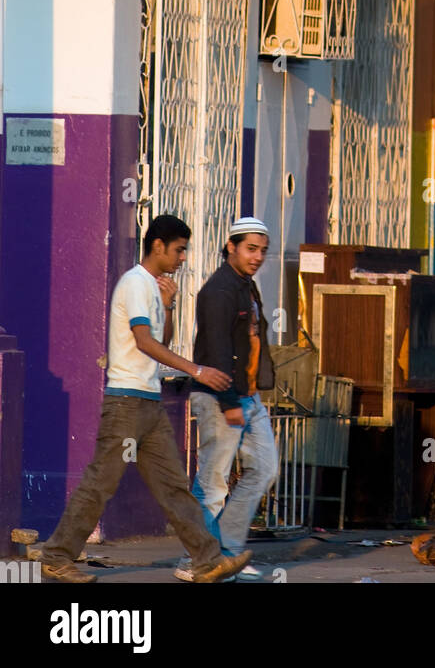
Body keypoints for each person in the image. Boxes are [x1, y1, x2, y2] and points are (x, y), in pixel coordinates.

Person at [41, 214, 252, 584]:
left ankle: (207, 558)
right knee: (101, 483)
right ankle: (57, 556)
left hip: (148, 403)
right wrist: (196, 370)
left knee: (173, 485)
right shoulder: (135, 283)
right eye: (179, 250)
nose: (183, 258)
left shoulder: (154, 288)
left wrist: (168, 306)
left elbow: (160, 342)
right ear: (158, 246)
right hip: (126, 404)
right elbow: (143, 342)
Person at [174, 216, 277, 582]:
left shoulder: (246, 286)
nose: (258, 256)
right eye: (251, 248)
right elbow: (218, 350)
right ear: (231, 246)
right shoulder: (218, 291)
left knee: (264, 468)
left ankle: (226, 554)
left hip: (248, 396)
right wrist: (230, 401)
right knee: (213, 482)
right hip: (221, 397)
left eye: (263, 250)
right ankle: (197, 560)